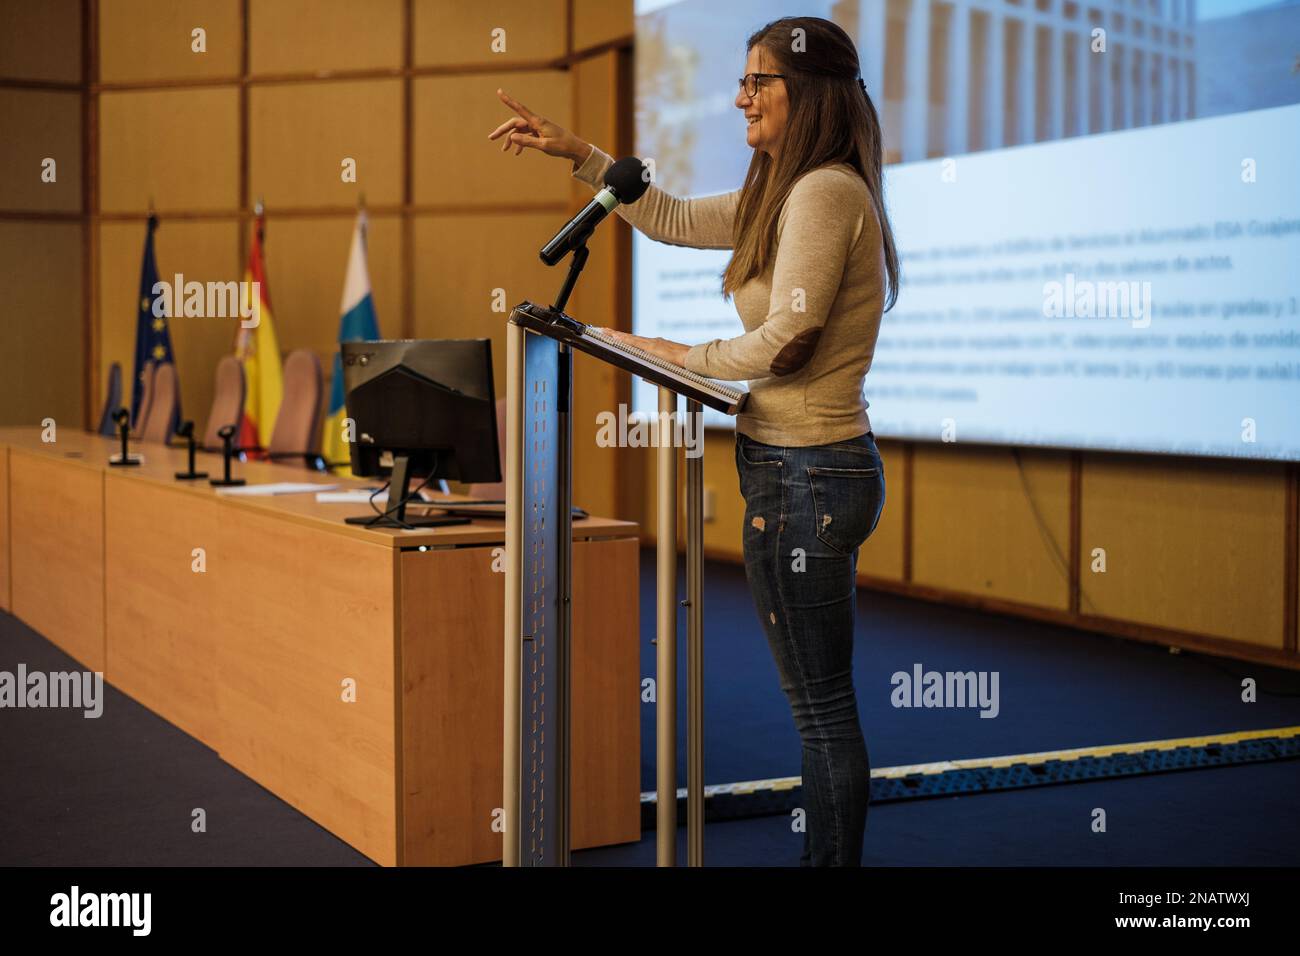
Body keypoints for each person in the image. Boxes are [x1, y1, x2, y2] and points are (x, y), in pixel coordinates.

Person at [489, 15, 899, 866]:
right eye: (742, 80)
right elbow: (670, 214)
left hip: (810, 476)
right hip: (798, 472)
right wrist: (583, 156)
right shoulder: (781, 194)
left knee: (823, 713)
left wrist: (675, 355)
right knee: (818, 706)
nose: (739, 96)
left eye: (759, 82)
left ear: (809, 93)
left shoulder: (824, 192)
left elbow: (786, 340)